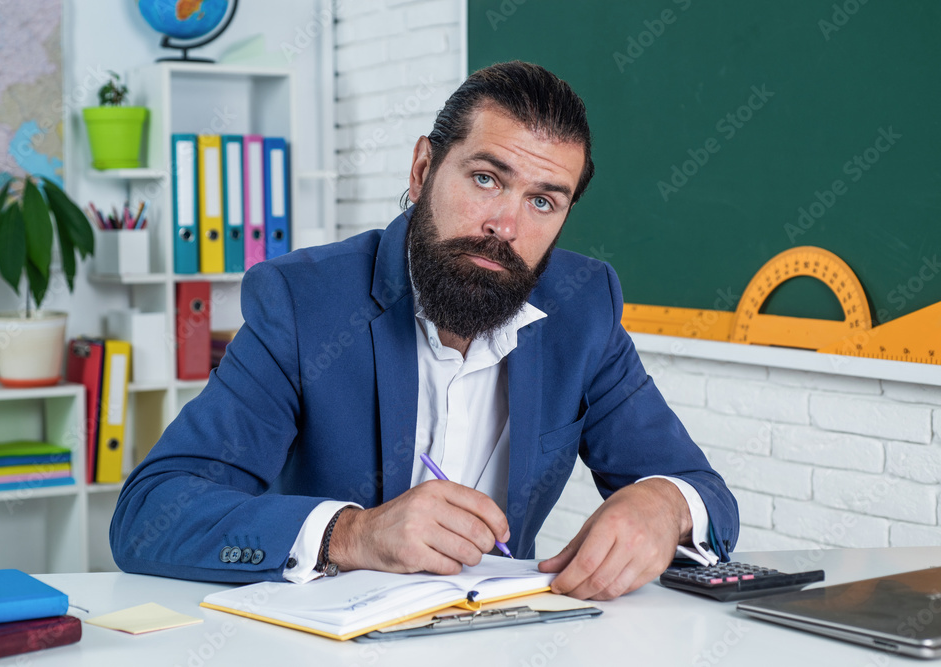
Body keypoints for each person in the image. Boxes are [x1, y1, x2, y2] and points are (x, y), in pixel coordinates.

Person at [110, 61, 738, 601]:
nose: (505, 225)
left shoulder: (583, 307)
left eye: (543, 201)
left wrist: (664, 506)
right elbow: (150, 514)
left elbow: (703, 491)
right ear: (422, 169)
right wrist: (354, 534)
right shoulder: (303, 303)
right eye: (486, 179)